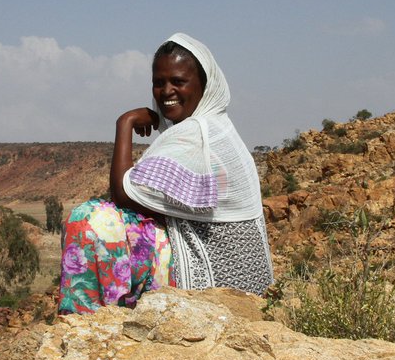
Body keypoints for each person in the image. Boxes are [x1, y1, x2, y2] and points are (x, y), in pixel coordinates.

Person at [57, 32, 273, 314]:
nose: (167, 91)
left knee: (89, 219)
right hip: (248, 280)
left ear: (204, 86)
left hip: (213, 280)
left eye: (178, 81)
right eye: (159, 83)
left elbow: (123, 193)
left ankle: (85, 325)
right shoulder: (218, 129)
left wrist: (126, 122)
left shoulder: (198, 135)